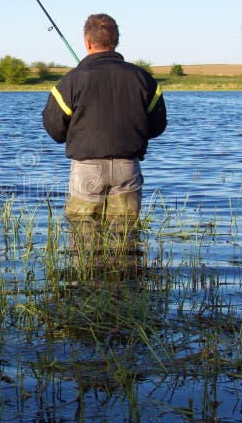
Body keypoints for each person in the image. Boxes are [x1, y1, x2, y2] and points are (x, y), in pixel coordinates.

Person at [42, 14, 167, 251]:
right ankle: (126, 285)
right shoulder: (144, 79)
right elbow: (157, 126)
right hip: (127, 168)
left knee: (83, 242)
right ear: (116, 41)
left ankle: (88, 285)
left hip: (86, 170)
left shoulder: (71, 80)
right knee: (125, 240)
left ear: (87, 42)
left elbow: (55, 129)